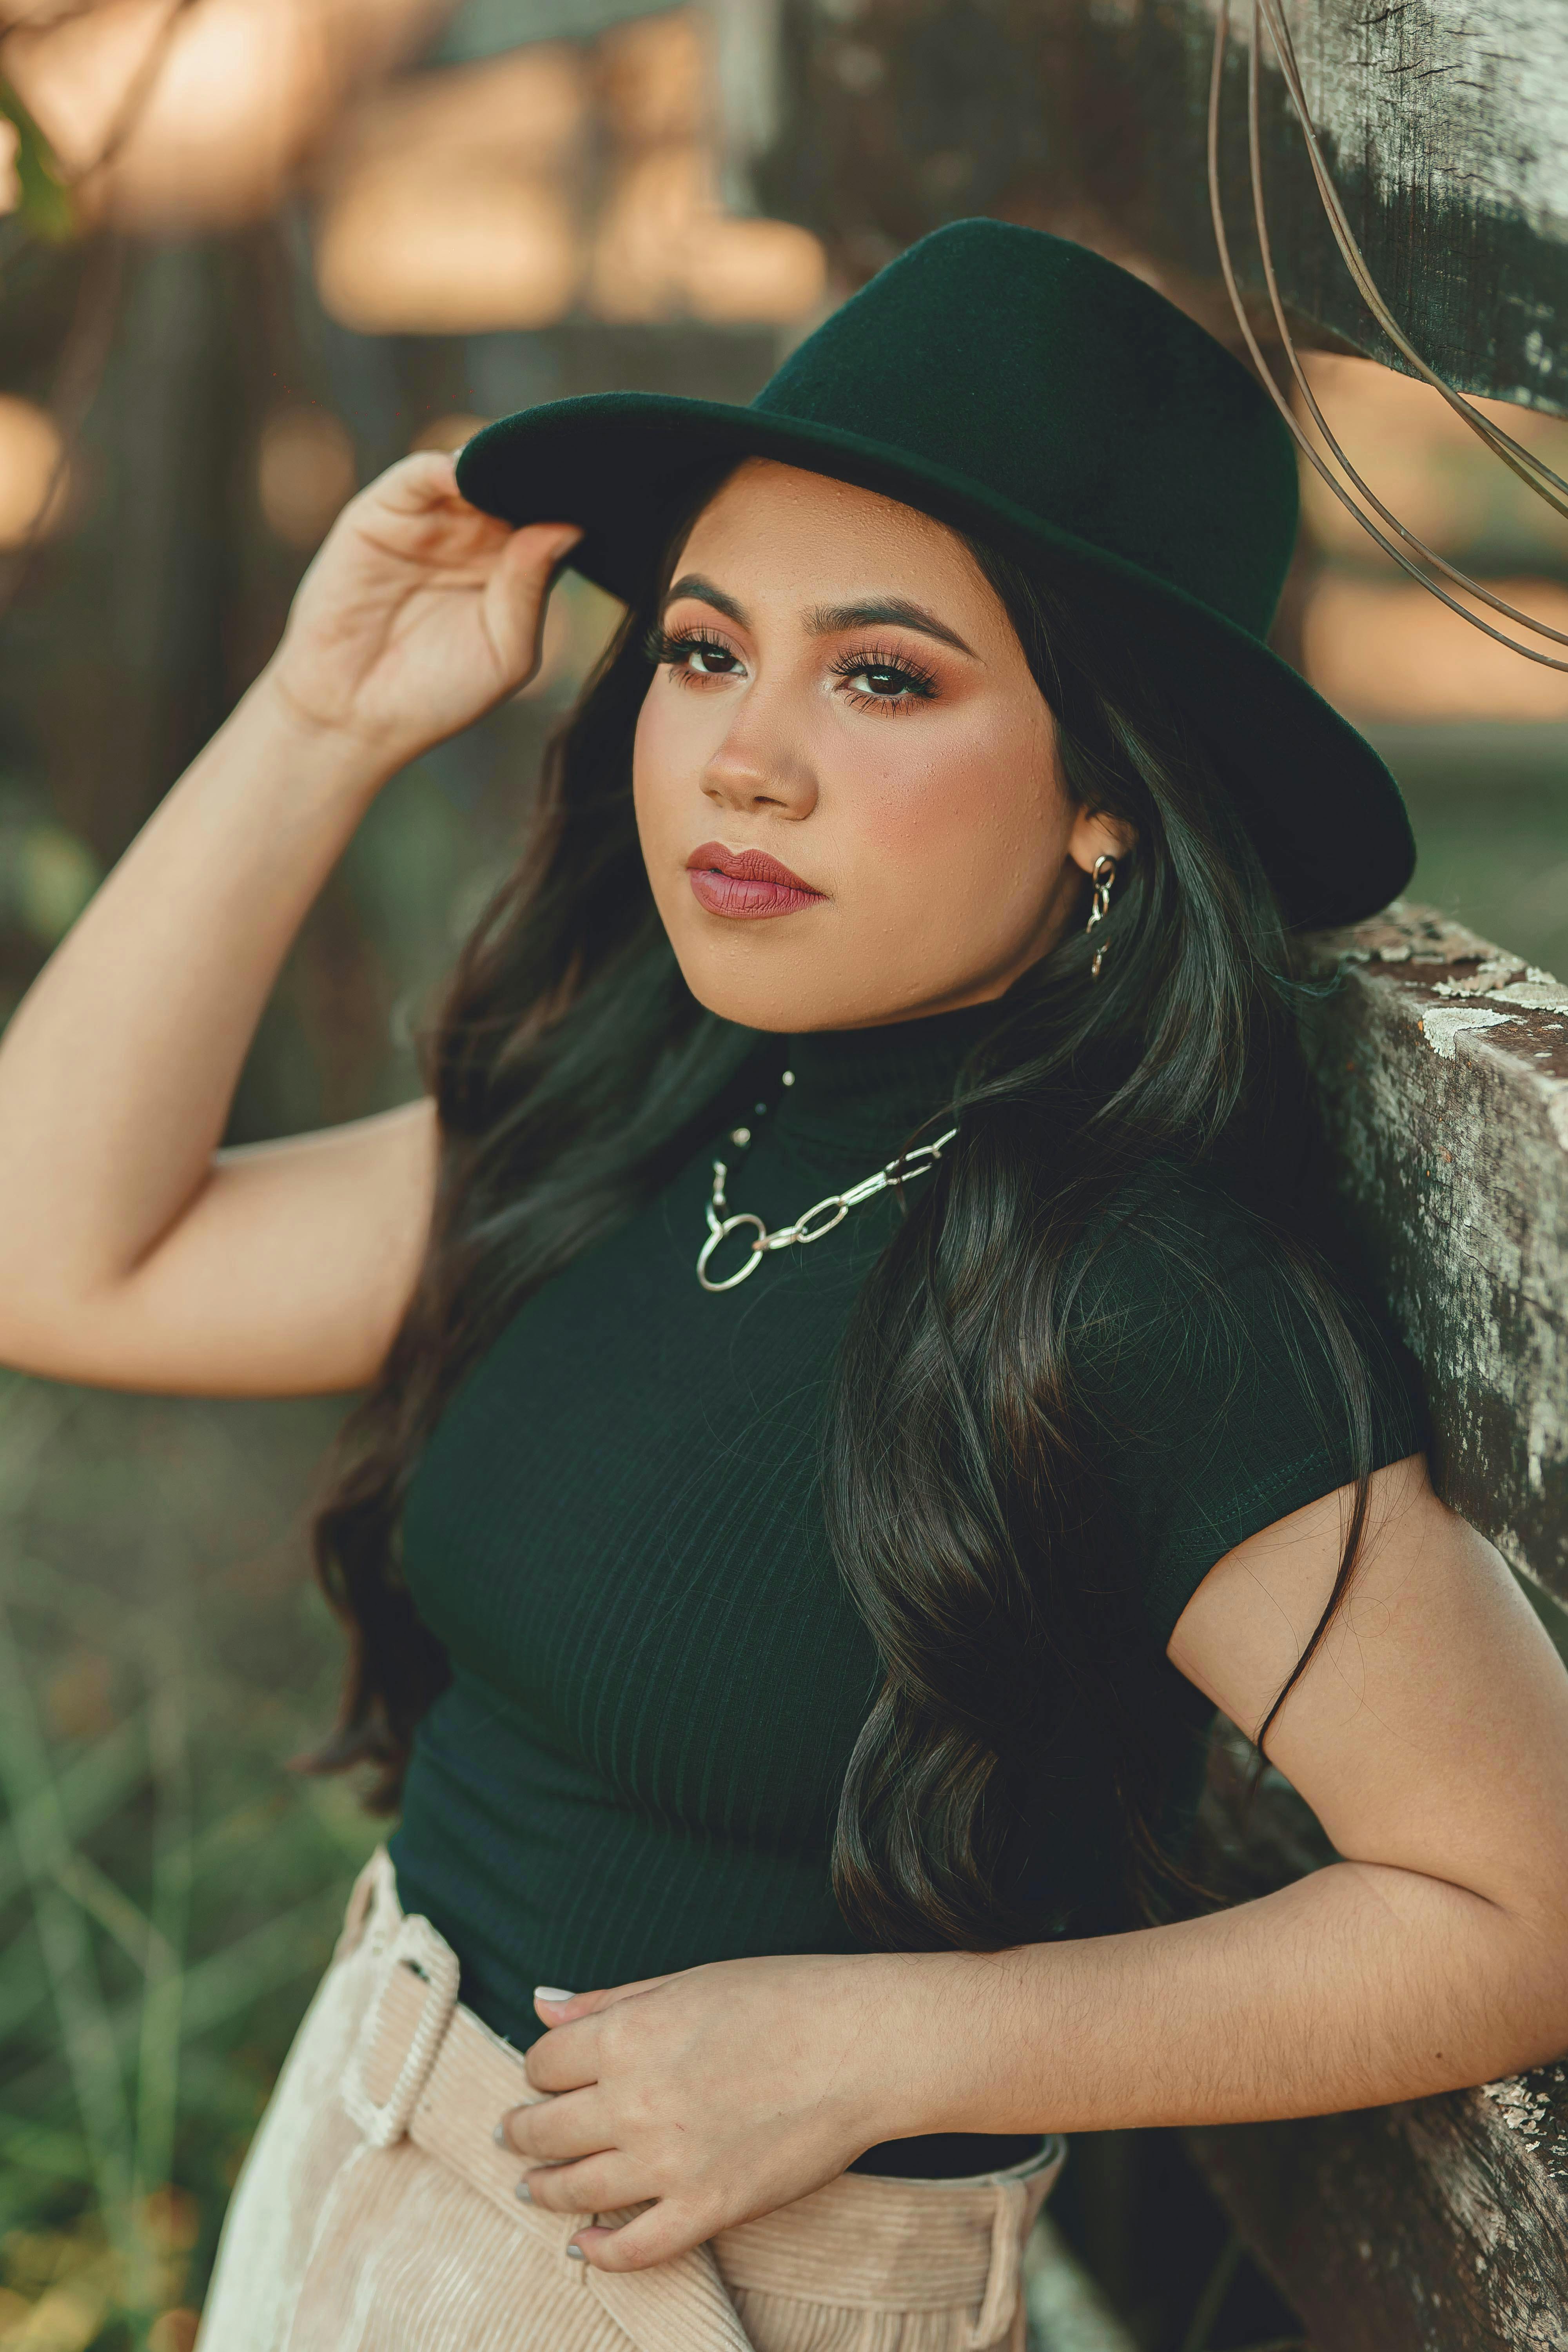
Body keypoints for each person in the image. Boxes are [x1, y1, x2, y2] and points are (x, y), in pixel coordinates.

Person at [1, 222, 1565, 2352]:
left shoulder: (1144, 1298)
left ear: (1107, 789)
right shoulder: (652, 1096)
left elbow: (1511, 1905)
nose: (745, 755)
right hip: (366, 2172)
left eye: (886, 674)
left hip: (716, 2289)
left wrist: (890, 2046)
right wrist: (315, 716)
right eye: (707, 650)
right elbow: (55, 1257)